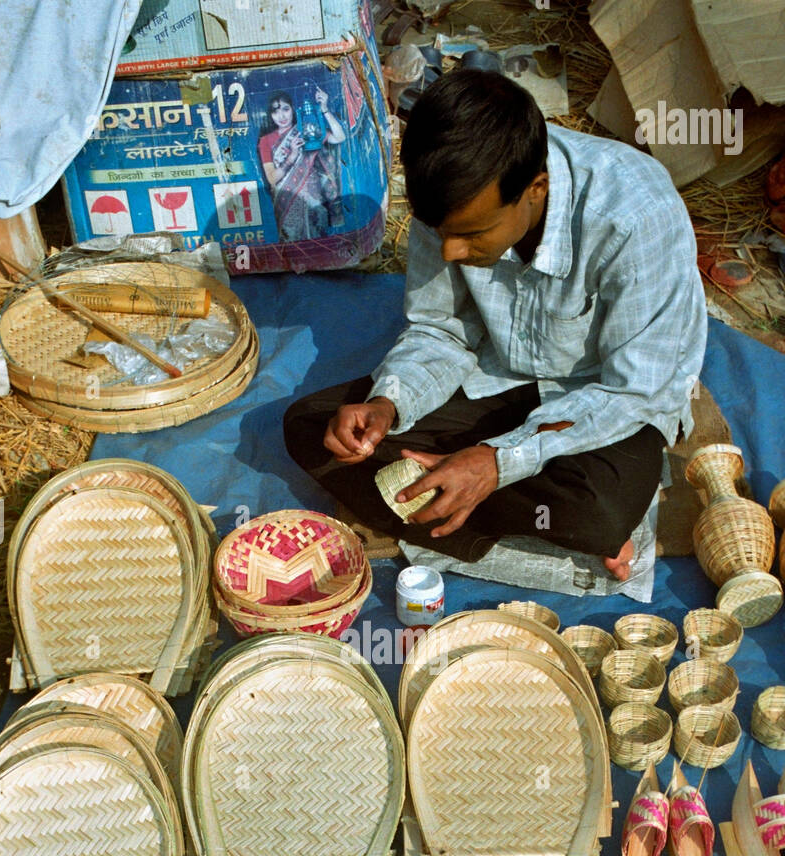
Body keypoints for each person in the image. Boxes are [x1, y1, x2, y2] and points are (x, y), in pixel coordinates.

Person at [283, 71, 707, 582]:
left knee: (597, 514)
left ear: (536, 189)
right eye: (441, 233)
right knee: (314, 431)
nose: (449, 252)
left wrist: (497, 461)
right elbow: (440, 331)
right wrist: (386, 404)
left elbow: (634, 389)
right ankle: (473, 492)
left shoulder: (637, 215)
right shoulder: (447, 191)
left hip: (602, 400)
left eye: (471, 234)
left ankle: (461, 488)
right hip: (500, 375)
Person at [258, 88, 346, 242]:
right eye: (276, 112)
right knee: (293, 245)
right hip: (287, 201)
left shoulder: (306, 129)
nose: (282, 116)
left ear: (293, 109)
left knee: (320, 241)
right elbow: (272, 179)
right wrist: (291, 156)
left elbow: (339, 137)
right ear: (270, 115)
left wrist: (324, 109)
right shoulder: (266, 141)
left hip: (315, 197)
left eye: (286, 109)